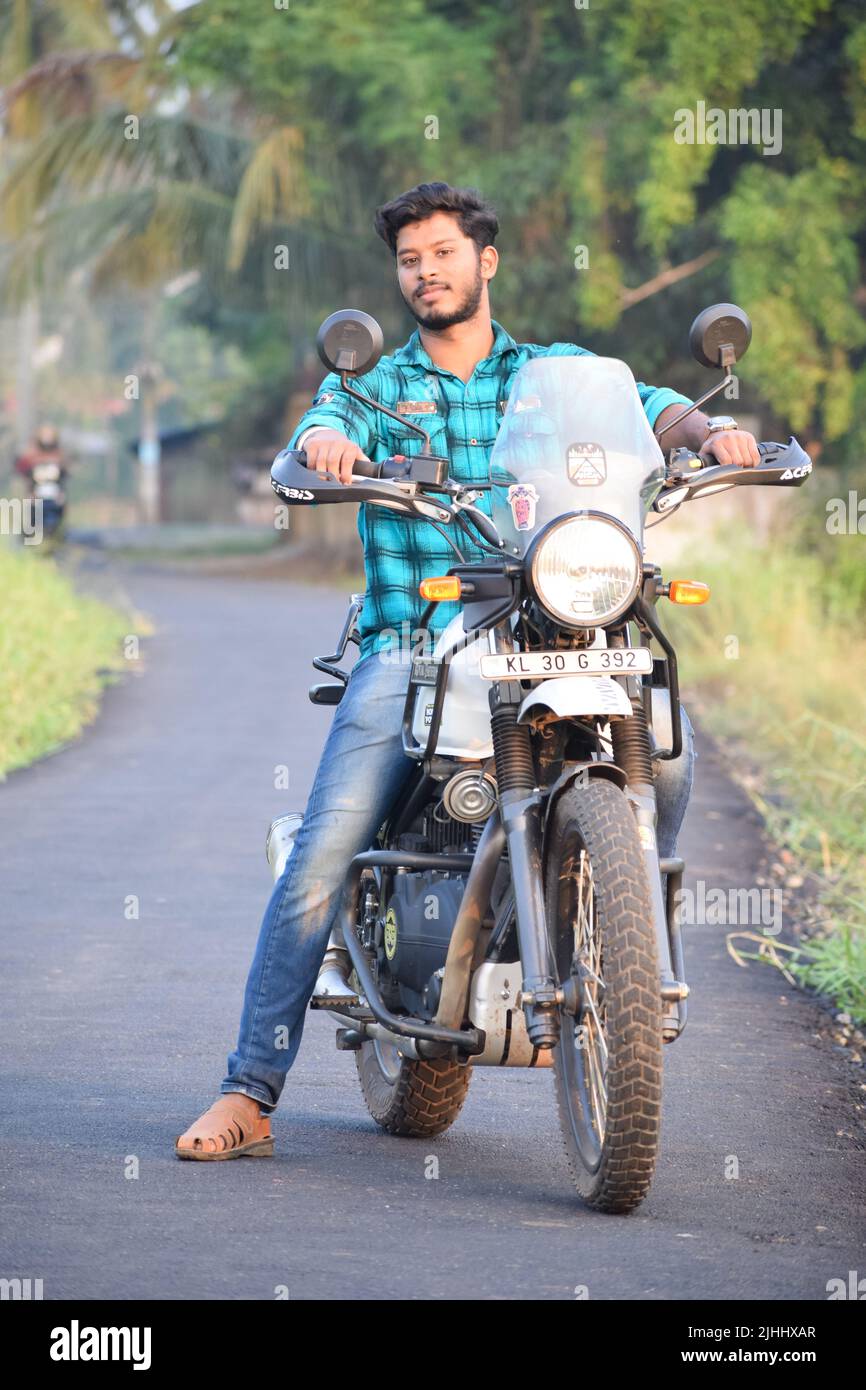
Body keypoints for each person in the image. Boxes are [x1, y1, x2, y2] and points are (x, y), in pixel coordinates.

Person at [175, 182, 760, 1160]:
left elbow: (650, 410)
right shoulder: (373, 387)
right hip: (416, 642)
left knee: (669, 757)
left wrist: (710, 434)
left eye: (442, 252)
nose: (425, 272)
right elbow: (321, 429)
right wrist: (326, 445)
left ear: (485, 261)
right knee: (323, 856)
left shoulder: (555, 374)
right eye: (409, 259)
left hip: (558, 628)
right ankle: (249, 1091)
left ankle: (615, 952)